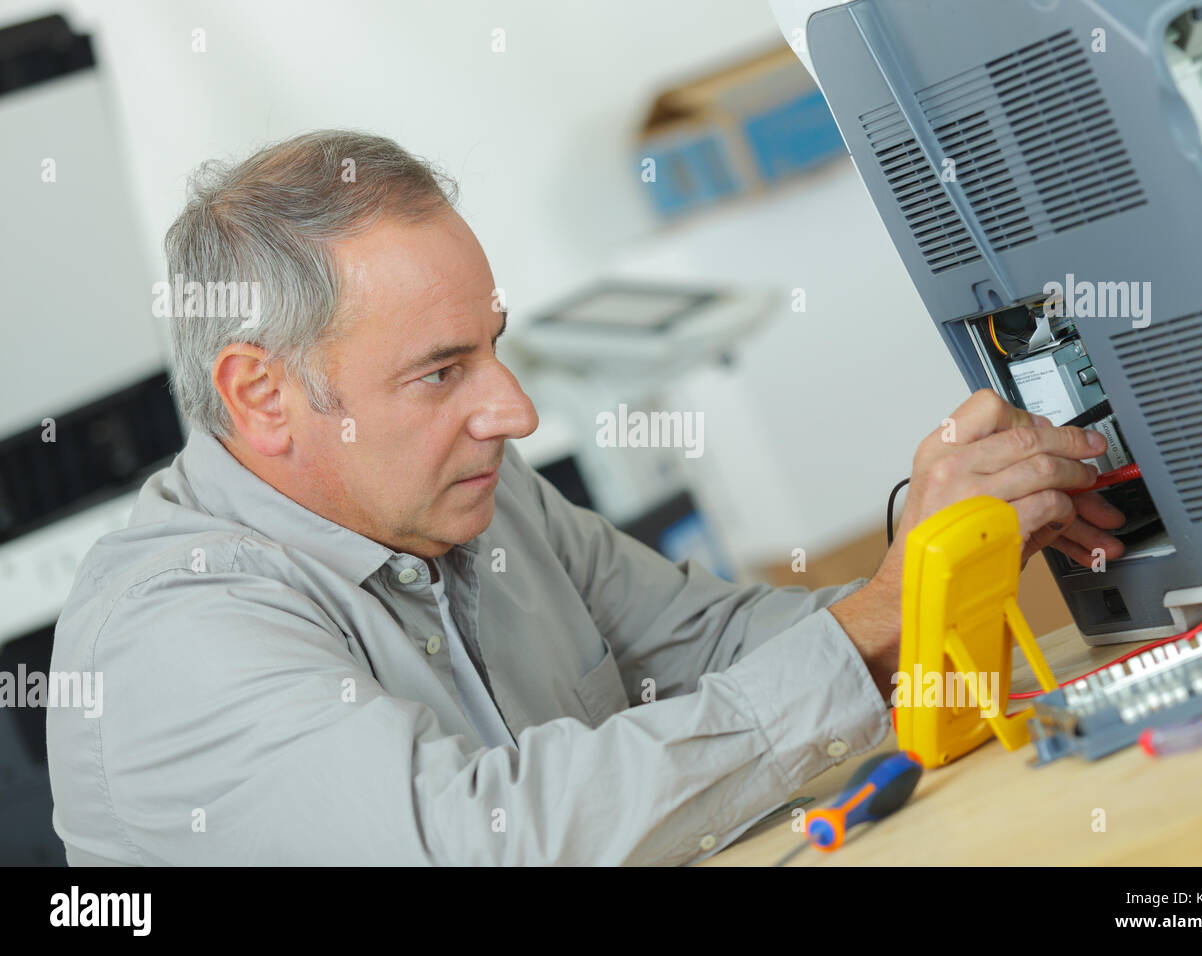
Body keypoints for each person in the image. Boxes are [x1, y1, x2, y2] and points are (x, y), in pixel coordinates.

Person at [47, 130, 1125, 865]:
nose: (512, 412)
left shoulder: (469, 495)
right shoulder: (172, 631)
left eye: (492, 349)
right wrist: (879, 616)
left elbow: (712, 644)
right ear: (261, 394)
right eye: (439, 370)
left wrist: (954, 552)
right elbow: (482, 843)